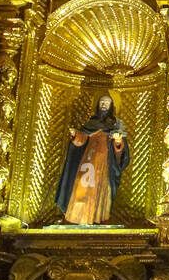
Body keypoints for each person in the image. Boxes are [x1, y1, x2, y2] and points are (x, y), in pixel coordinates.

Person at [55, 94, 129, 225]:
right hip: (87, 161)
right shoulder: (90, 123)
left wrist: (118, 141)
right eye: (102, 102)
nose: (104, 105)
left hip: (104, 164)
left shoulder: (115, 125)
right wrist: (75, 135)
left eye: (107, 103)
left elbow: (120, 150)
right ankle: (75, 218)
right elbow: (81, 140)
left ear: (111, 106)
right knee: (79, 186)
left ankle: (95, 218)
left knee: (99, 190)